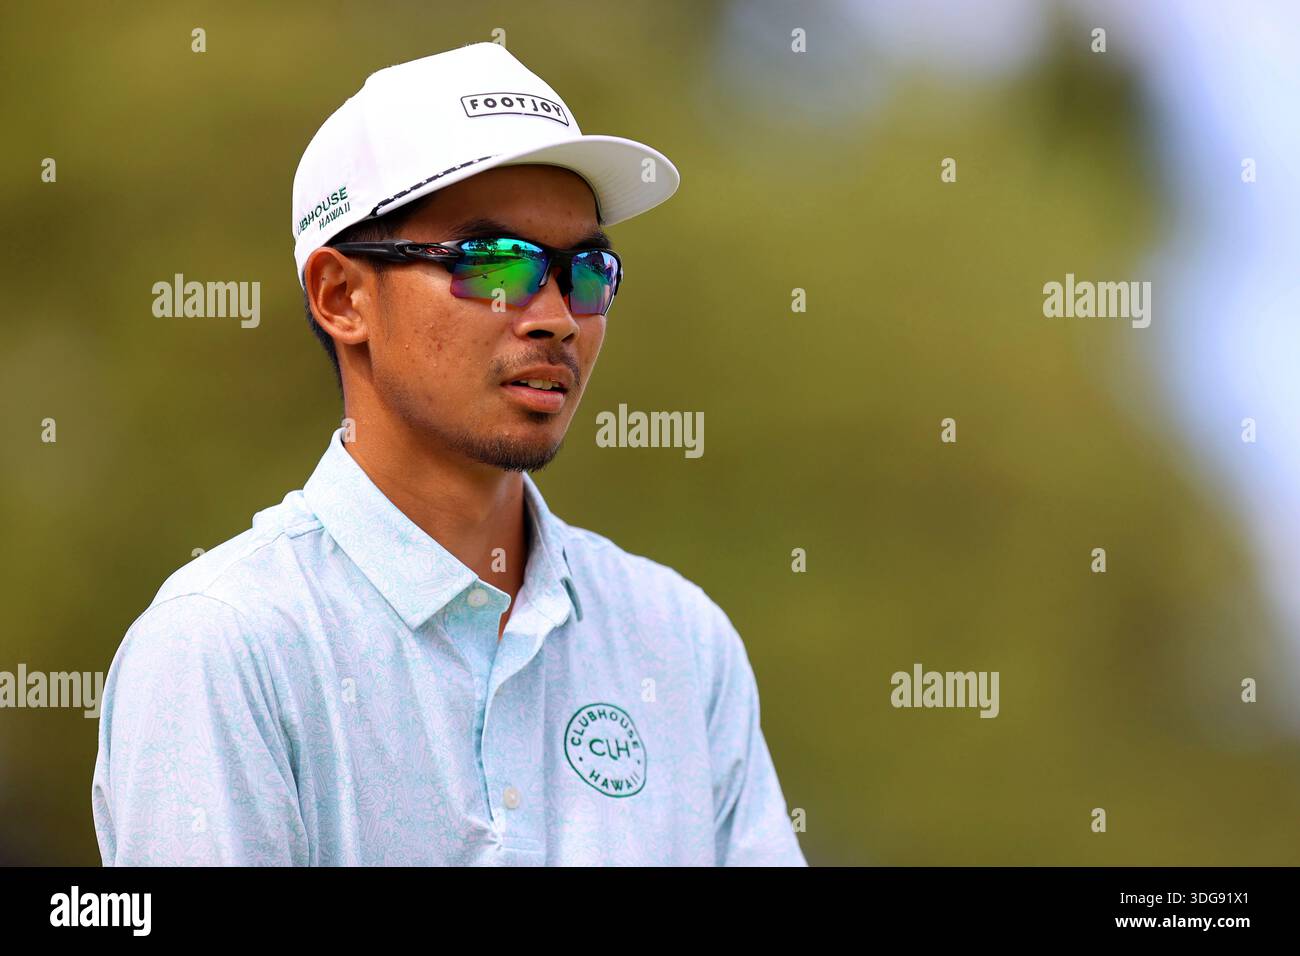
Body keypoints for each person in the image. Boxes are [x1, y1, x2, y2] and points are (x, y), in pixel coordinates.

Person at [91, 42, 806, 866]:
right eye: (496, 264)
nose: (557, 317)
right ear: (341, 296)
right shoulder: (226, 647)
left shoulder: (680, 641)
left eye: (585, 270)